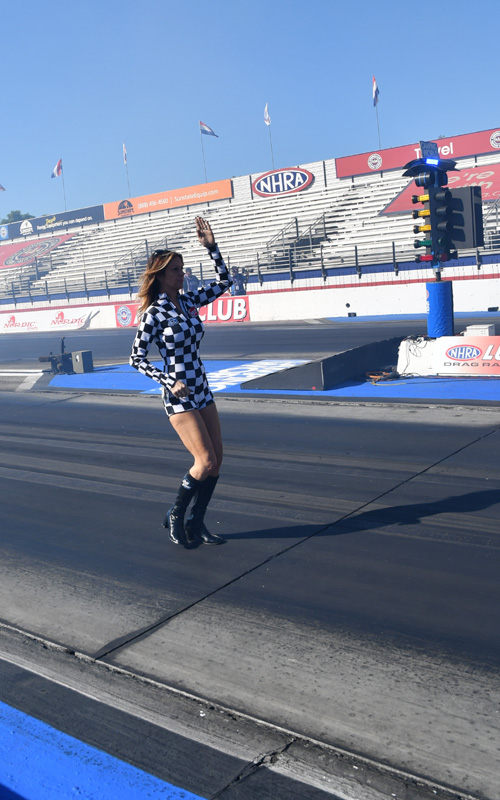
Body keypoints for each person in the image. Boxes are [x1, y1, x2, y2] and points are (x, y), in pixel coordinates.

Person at [130, 217, 232, 548]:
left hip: (201, 386)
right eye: (175, 269)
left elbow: (226, 280)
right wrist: (167, 381)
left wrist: (212, 248)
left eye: (183, 268)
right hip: (178, 395)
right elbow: (137, 357)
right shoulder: (153, 314)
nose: (182, 274)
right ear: (159, 275)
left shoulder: (188, 301)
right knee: (203, 462)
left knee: (216, 461)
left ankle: (196, 520)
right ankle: (176, 514)